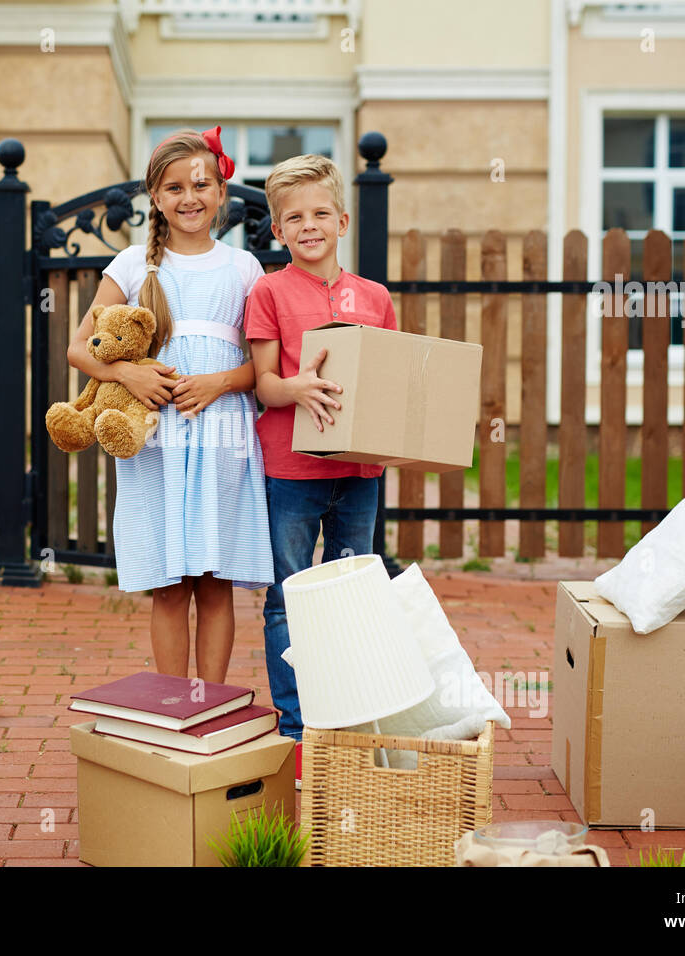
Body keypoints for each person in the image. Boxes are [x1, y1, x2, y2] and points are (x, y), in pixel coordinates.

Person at [66, 126, 273, 684]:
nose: (190, 198)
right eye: (175, 187)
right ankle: (175, 702)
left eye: (202, 185)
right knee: (169, 583)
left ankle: (212, 699)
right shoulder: (133, 265)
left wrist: (219, 384)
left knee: (215, 581)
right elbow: (78, 348)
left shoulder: (244, 269)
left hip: (223, 441)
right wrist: (127, 373)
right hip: (157, 445)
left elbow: (264, 367)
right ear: (155, 197)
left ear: (221, 192)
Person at [244, 153, 398, 782]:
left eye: (319, 214)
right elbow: (263, 386)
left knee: (352, 596)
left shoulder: (376, 297)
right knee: (288, 598)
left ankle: (348, 720)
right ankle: (297, 725)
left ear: (341, 220)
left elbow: (388, 383)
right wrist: (297, 388)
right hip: (292, 471)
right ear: (277, 230)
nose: (308, 226)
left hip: (358, 473)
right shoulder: (269, 291)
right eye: (293, 218)